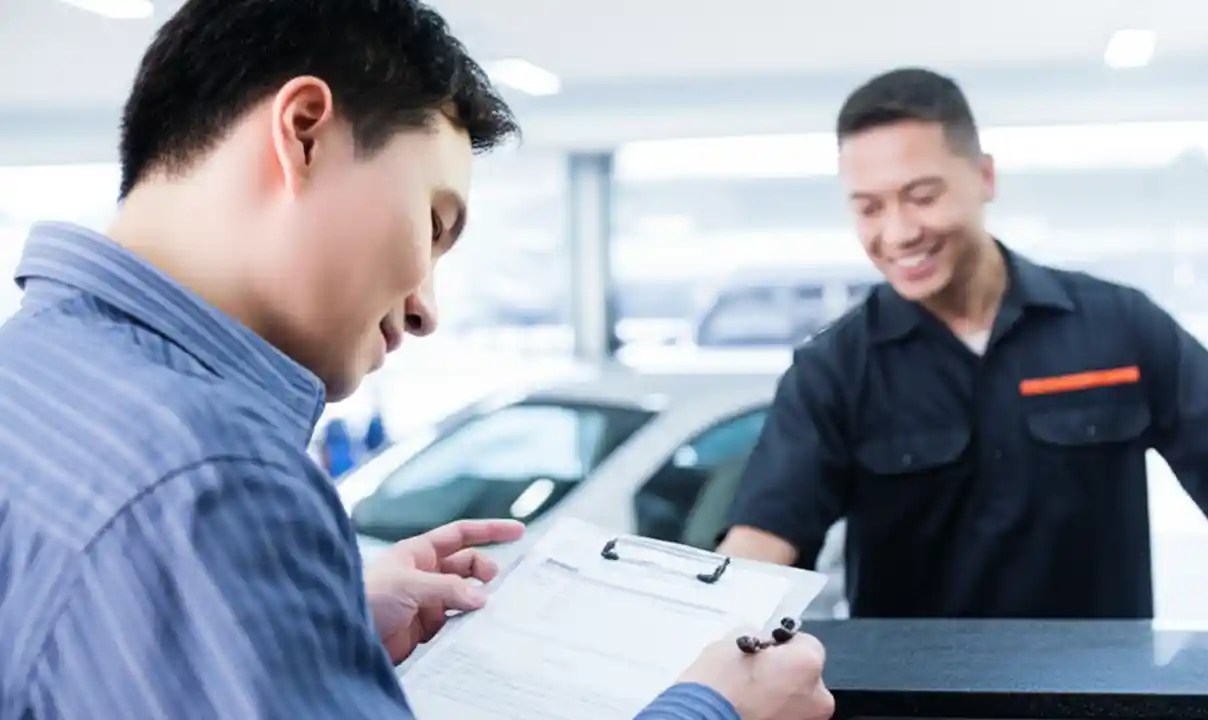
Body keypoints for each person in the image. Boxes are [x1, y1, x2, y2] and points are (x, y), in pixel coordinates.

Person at [0, 2, 832, 719]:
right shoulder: (212, 473)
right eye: (434, 226)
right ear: (304, 134)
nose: (427, 307)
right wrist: (713, 706)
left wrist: (313, 631)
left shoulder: (37, 378)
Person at [719, 67, 1208, 620]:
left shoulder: (1118, 326)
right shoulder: (835, 369)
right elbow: (761, 545)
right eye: (869, 208)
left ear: (985, 177)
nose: (897, 233)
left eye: (921, 196)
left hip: (1095, 700)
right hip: (914, 705)